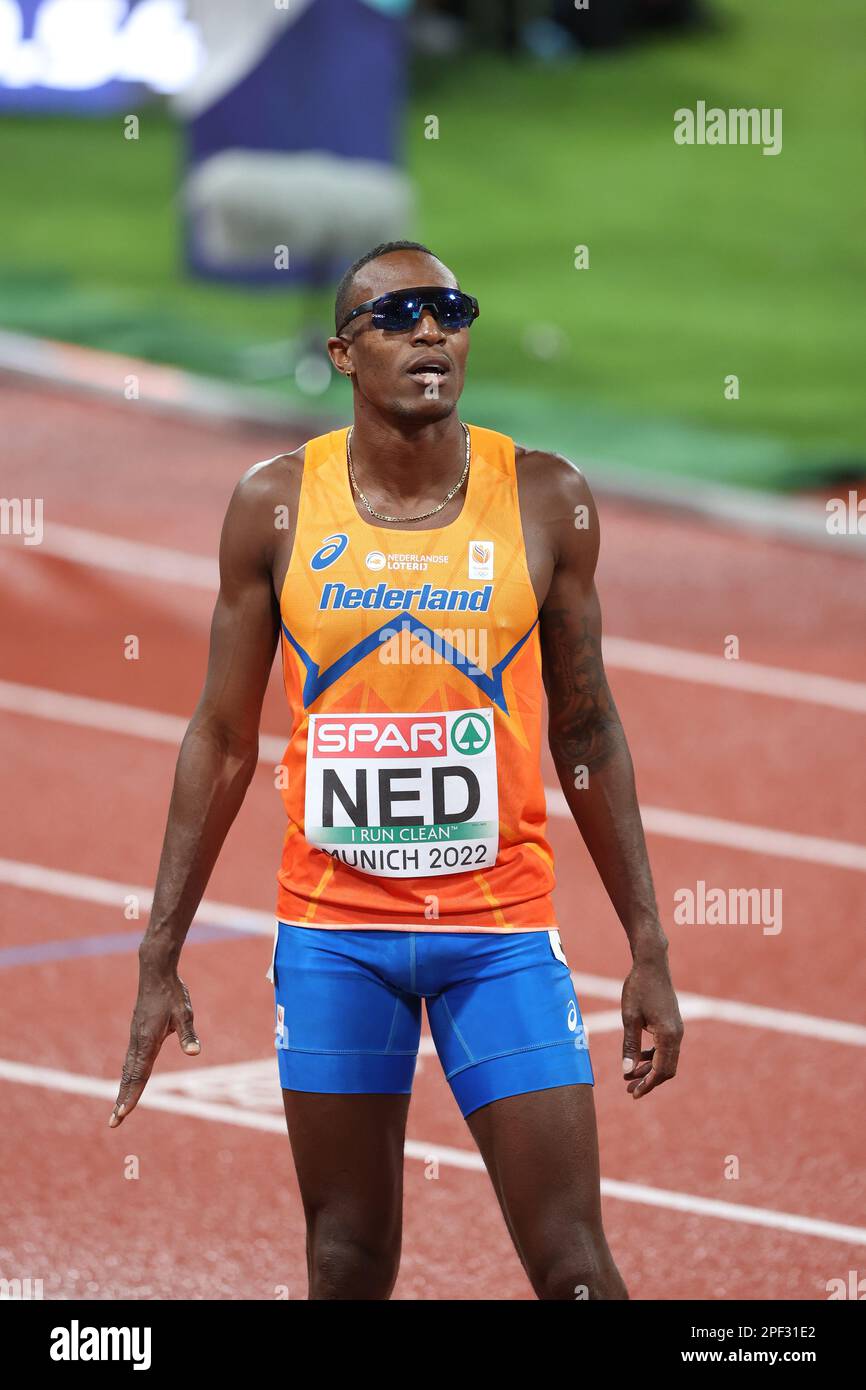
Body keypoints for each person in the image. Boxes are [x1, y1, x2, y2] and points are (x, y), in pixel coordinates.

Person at [110, 239, 683, 1301]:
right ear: (340, 352)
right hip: (335, 938)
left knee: (571, 1265)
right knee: (345, 1260)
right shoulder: (272, 505)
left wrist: (647, 940)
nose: (431, 330)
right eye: (399, 314)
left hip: (497, 935)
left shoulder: (546, 499)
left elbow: (588, 730)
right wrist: (159, 953)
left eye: (450, 310)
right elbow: (223, 736)